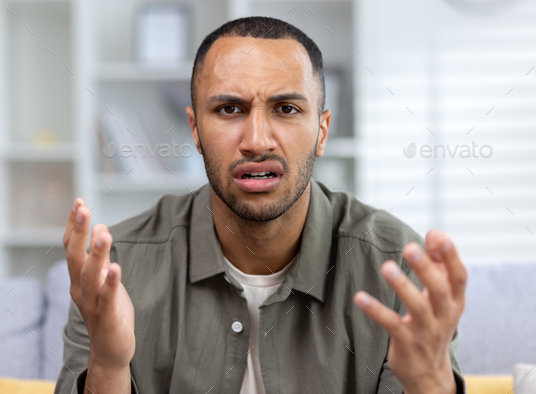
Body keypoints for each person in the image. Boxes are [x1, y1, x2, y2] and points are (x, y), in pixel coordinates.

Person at [55, 16, 468, 394]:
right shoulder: (114, 275)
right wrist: (108, 364)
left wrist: (430, 384)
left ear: (322, 132)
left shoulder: (397, 273)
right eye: (229, 109)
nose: (257, 140)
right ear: (195, 130)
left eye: (286, 109)